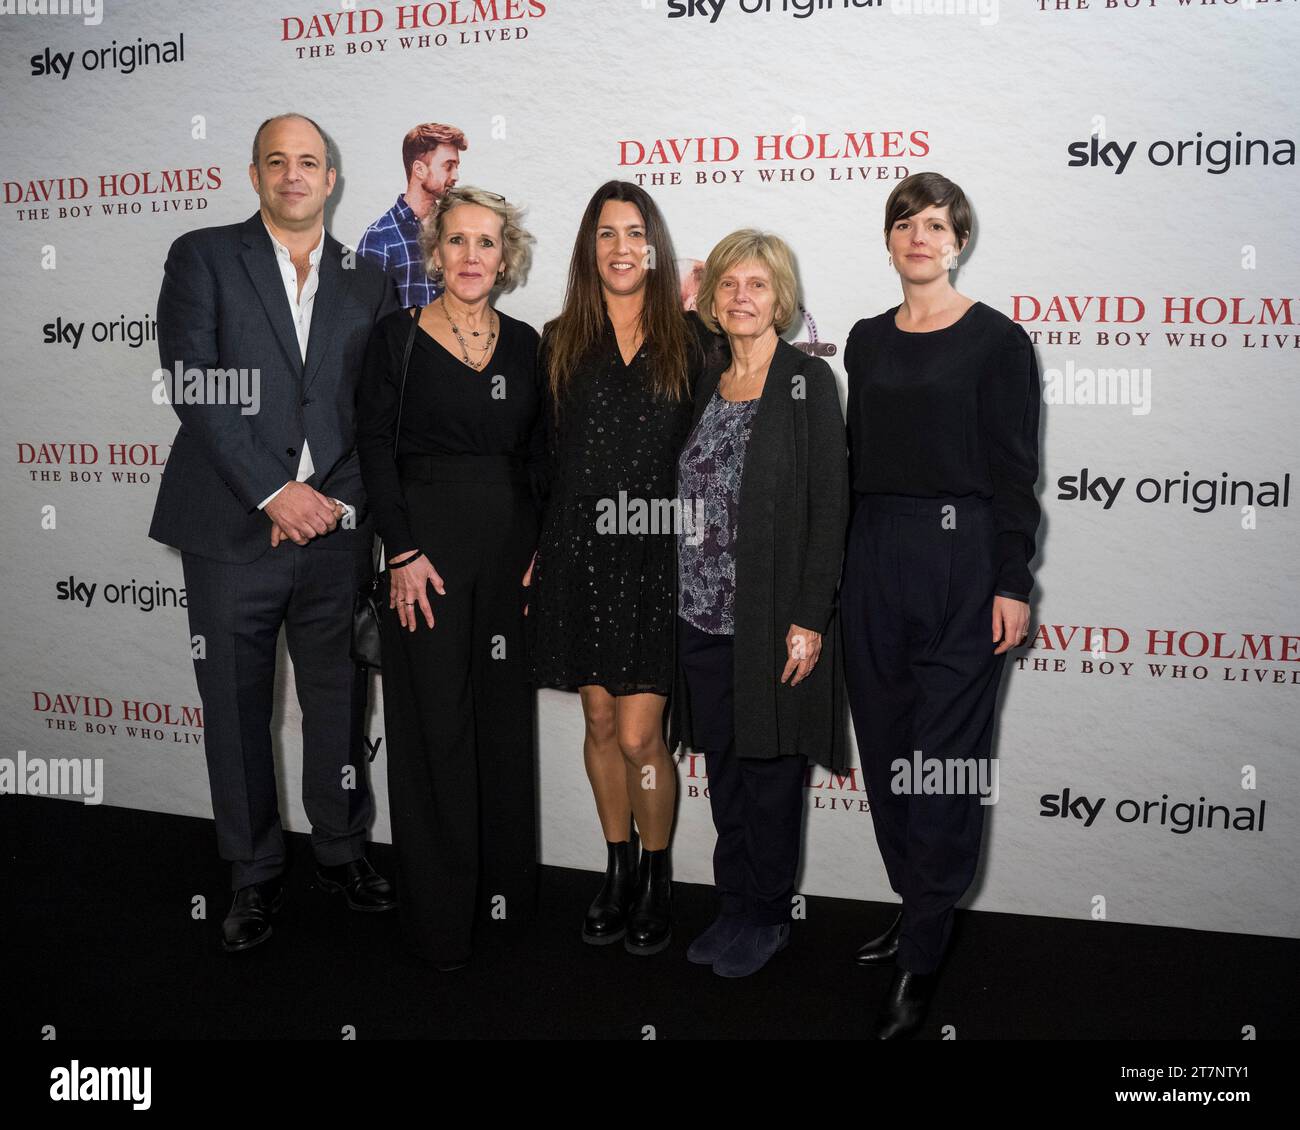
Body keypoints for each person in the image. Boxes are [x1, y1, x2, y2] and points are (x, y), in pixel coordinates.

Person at [149, 112, 399, 954]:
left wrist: (337, 504)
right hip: (231, 528)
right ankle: (252, 873)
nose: (295, 175)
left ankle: (341, 849)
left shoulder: (368, 279)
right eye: (277, 162)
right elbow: (194, 383)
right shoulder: (205, 256)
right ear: (254, 175)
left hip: (333, 530)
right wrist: (272, 491)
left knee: (338, 703)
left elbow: (377, 410)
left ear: (333, 179)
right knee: (234, 708)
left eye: (311, 162)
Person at [841, 171, 1041, 1038]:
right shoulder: (863, 339)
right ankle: (917, 904)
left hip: (963, 562)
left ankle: (925, 952)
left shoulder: (998, 341)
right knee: (886, 749)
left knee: (946, 761)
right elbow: (851, 462)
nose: (919, 238)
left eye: (935, 225)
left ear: (959, 240)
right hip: (872, 554)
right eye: (905, 224)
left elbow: (1013, 471)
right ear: (888, 240)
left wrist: (1011, 581)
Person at [356, 186, 543, 971]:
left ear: (507, 257)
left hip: (507, 551)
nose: (472, 256)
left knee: (500, 723)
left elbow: (539, 451)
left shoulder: (529, 341)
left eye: (487, 243)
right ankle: (439, 920)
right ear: (435, 252)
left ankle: (503, 904)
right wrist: (399, 550)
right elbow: (372, 448)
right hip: (424, 554)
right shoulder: (394, 337)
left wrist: (537, 545)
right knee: (435, 725)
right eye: (458, 241)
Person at [528, 181, 706, 955]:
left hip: (658, 555)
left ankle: (660, 873)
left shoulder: (694, 341)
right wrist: (535, 547)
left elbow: (712, 463)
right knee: (599, 720)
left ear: (655, 247)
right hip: (578, 550)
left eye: (636, 233)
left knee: (641, 735)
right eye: (607, 234)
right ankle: (617, 868)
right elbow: (540, 457)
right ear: (588, 248)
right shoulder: (559, 338)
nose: (622, 247)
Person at [670, 230, 848, 977]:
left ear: (781, 299)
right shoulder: (706, 378)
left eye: (758, 285)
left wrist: (808, 618)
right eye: (730, 286)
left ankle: (768, 917)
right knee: (727, 776)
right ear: (713, 301)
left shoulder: (806, 380)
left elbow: (830, 508)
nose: (743, 297)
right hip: (699, 620)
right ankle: (734, 905)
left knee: (770, 778)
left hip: (771, 623)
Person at [357, 122, 467, 307]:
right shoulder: (379, 237)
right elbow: (364, 314)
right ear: (419, 170)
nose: (456, 176)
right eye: (448, 166)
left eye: (456, 166)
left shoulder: (454, 229)